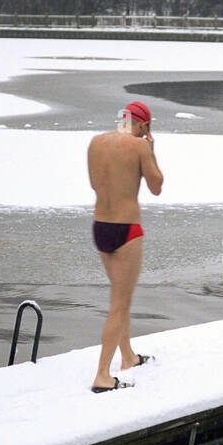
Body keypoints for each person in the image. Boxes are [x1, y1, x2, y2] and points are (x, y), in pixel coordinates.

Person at [87, 101, 163, 392]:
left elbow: (97, 183)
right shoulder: (140, 147)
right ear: (143, 125)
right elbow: (156, 187)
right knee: (120, 304)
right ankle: (103, 375)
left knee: (121, 297)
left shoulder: (95, 143)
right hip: (127, 229)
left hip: (100, 227)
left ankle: (128, 356)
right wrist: (151, 150)